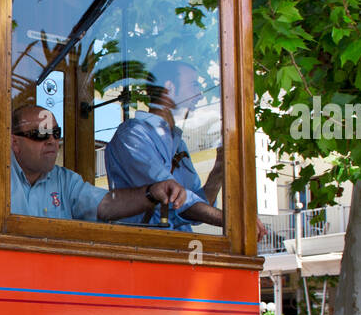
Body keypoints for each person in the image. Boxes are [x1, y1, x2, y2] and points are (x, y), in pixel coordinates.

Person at [105, 61, 268, 236]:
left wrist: (220, 168)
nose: (200, 95)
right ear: (169, 87)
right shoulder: (133, 135)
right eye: (194, 85)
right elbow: (177, 199)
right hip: (145, 246)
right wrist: (235, 221)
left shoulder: (177, 141)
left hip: (177, 245)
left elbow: (196, 205)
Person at [11, 105, 186, 221]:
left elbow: (106, 205)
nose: (51, 141)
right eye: (41, 134)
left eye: (56, 133)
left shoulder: (65, 180)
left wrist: (152, 192)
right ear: (14, 143)